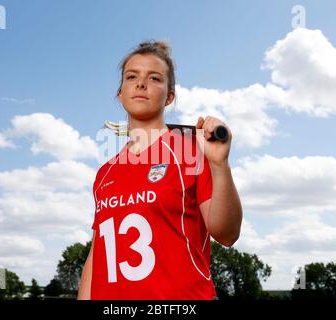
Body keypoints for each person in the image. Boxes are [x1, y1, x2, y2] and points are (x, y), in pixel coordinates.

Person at [77, 41, 242, 300]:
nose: (141, 83)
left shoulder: (192, 152)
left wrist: (219, 166)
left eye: (154, 78)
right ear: (120, 93)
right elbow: (98, 256)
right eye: (132, 76)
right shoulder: (105, 173)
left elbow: (228, 234)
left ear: (170, 96)